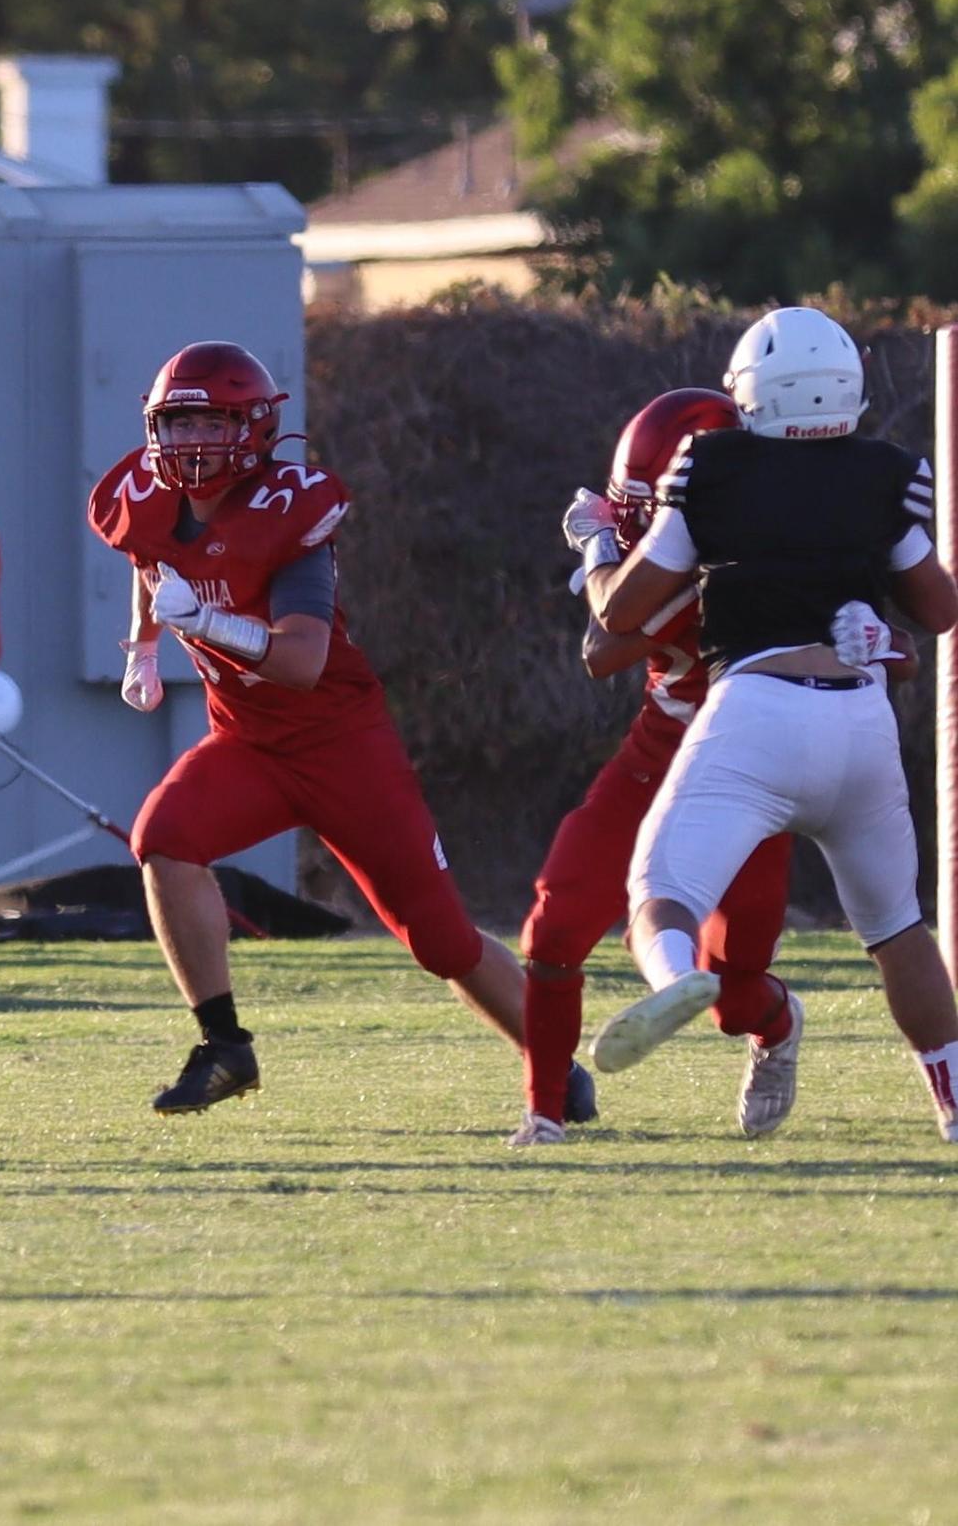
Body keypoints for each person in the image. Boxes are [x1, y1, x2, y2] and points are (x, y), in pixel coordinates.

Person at [90, 342, 592, 1118]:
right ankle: (224, 1046)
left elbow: (299, 661)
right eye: (179, 423)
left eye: (211, 424)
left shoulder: (291, 516)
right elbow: (149, 559)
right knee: (164, 836)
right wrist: (145, 646)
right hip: (248, 743)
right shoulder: (144, 497)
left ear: (253, 429)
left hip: (340, 746)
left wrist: (210, 624)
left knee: (440, 941)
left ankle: (554, 1063)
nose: (192, 442)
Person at [580, 307, 958, 1143]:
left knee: (661, 890)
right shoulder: (886, 471)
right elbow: (939, 610)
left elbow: (621, 612)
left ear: (748, 393)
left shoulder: (711, 467)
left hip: (756, 713)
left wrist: (595, 548)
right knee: (897, 929)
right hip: (860, 723)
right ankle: (954, 1102)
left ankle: (678, 980)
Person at [516, 389, 804, 1147]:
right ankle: (544, 1116)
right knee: (554, 928)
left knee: (732, 998)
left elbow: (602, 650)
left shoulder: (743, 559)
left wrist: (597, 551)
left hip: (748, 764)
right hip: (662, 744)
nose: (645, 517)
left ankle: (777, 1027)